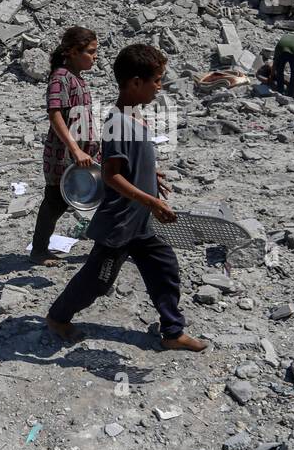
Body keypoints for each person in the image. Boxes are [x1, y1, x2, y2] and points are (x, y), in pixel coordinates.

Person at [47, 44, 207, 353]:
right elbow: (111, 175)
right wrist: (152, 201)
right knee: (99, 280)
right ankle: (58, 317)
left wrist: (151, 176)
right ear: (135, 82)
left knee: (164, 269)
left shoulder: (133, 116)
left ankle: (172, 331)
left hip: (141, 221)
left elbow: (131, 164)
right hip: (120, 223)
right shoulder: (118, 123)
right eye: (156, 80)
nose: (159, 87)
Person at [31, 27, 101, 266]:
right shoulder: (61, 77)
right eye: (90, 52)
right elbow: (55, 115)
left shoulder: (76, 78)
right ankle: (39, 250)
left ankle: (111, 246)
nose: (95, 57)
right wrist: (75, 149)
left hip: (82, 153)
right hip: (64, 156)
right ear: (72, 51)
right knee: (54, 202)